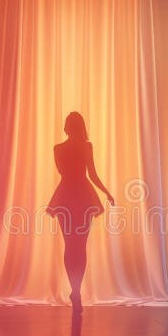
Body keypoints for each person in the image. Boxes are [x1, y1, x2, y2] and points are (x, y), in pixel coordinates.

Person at [47, 112, 114, 314]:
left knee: (70, 244)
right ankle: (76, 291)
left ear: (66, 127)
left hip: (65, 195)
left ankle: (75, 290)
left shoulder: (58, 149)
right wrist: (106, 192)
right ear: (81, 127)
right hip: (83, 196)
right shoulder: (87, 146)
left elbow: (61, 171)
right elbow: (92, 174)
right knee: (80, 245)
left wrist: (106, 192)